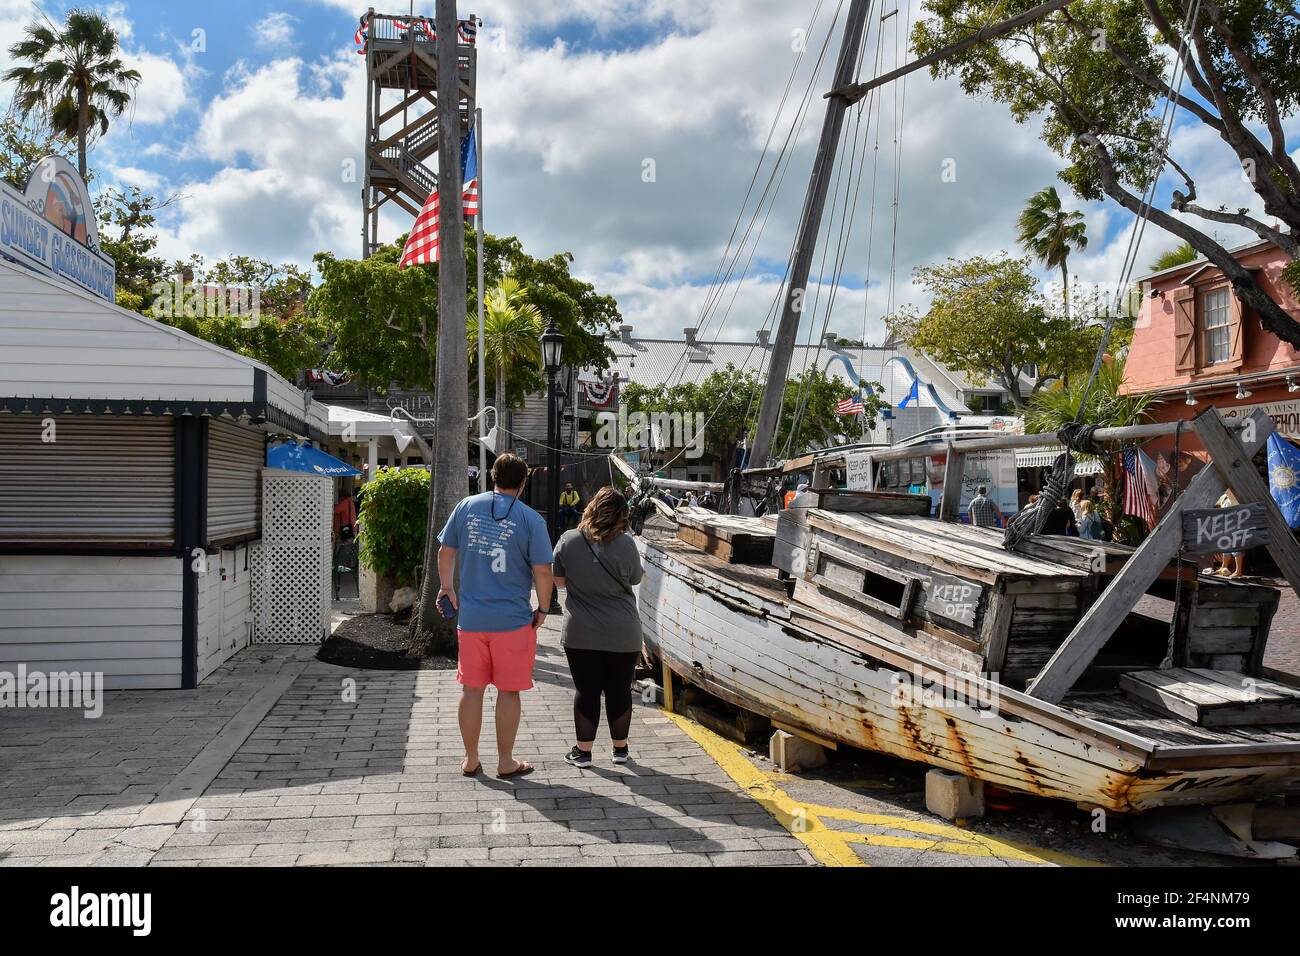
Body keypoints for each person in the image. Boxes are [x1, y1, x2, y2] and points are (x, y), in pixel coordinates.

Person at [437, 454, 555, 779]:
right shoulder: (532, 520)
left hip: (471, 620)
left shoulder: (466, 507)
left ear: (492, 476)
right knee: (508, 691)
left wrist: (447, 588)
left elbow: (445, 552)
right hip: (513, 622)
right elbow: (543, 571)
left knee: (471, 690)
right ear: (523, 483)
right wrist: (543, 609)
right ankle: (506, 761)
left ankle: (471, 759)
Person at [552, 487, 645, 768]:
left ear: (591, 506)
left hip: (581, 631)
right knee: (620, 691)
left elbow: (559, 583)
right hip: (623, 632)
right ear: (622, 515)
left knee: (587, 690)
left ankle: (583, 752)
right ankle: (620, 751)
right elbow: (636, 579)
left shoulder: (568, 541)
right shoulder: (627, 544)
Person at [1214, 490, 1246, 577]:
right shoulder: (1224, 497)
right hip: (1227, 525)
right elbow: (1216, 503)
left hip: (1236, 525)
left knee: (1236, 548)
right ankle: (1224, 567)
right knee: (1226, 547)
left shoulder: (1234, 497)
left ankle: (1238, 571)